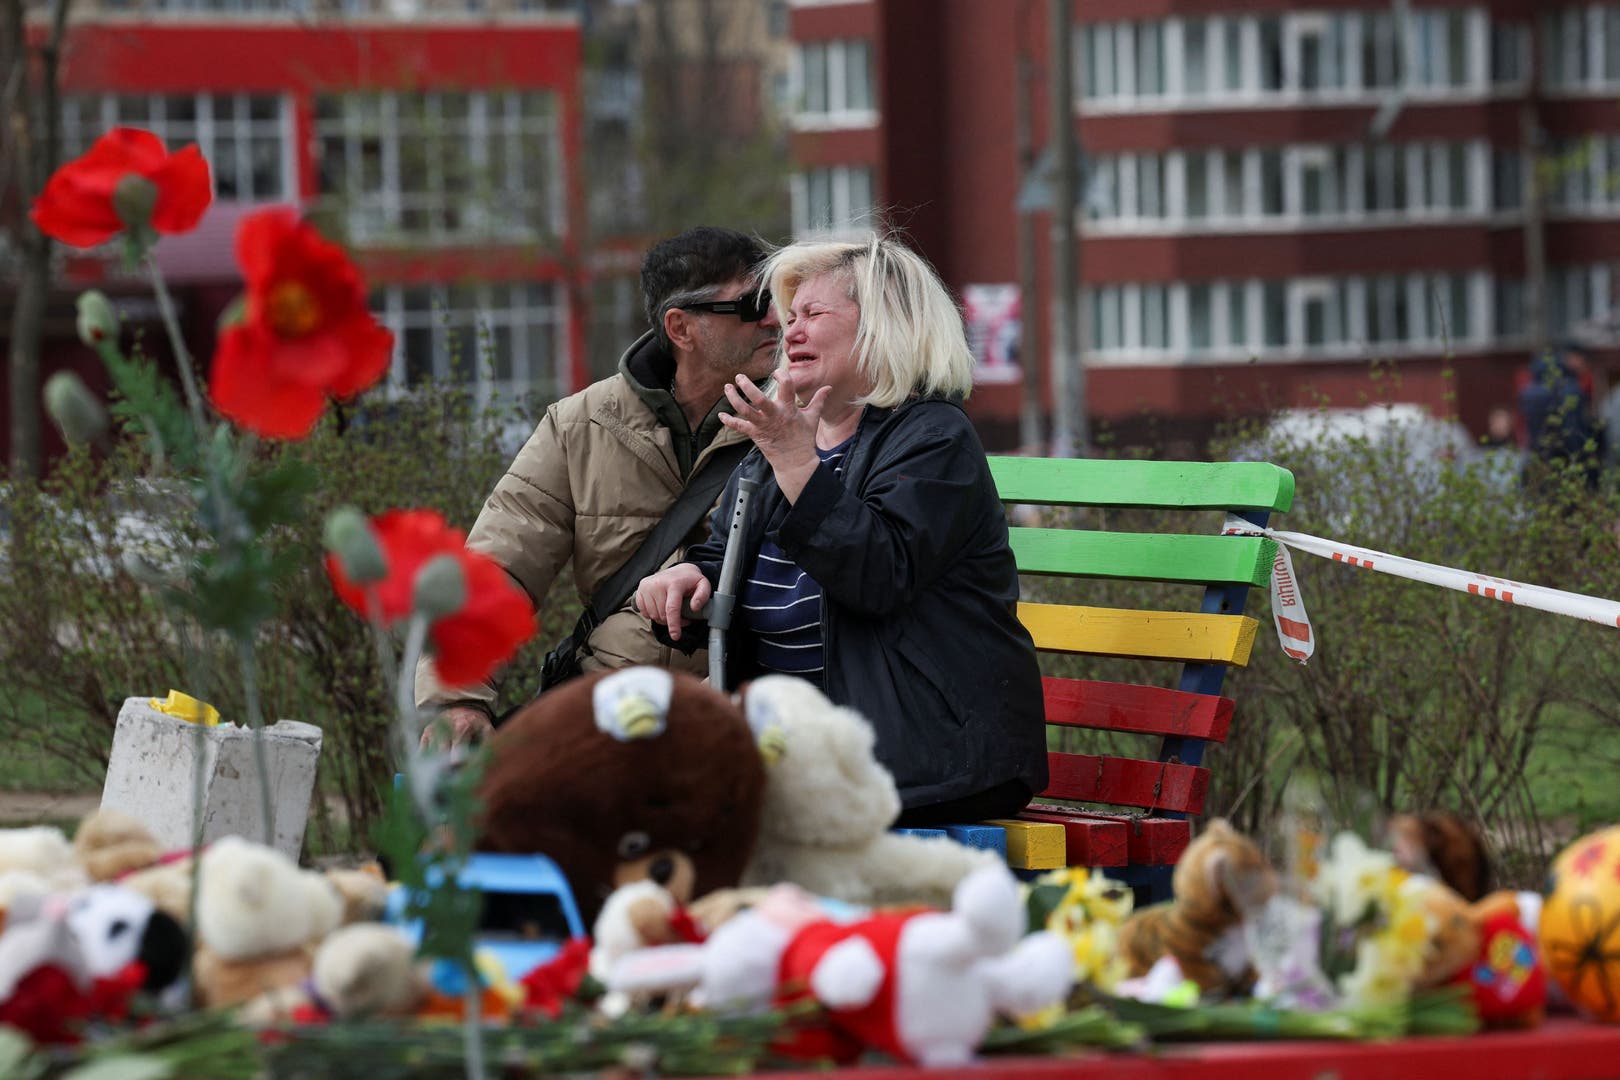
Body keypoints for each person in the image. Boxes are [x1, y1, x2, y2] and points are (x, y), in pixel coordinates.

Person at [634, 235, 1048, 826]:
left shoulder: (933, 440)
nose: (788, 330)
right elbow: (727, 547)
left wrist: (796, 461)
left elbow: (877, 574)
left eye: (814, 314)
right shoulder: (785, 446)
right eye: (790, 315)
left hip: (927, 755)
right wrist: (689, 573)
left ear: (883, 326)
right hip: (802, 746)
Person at [418, 226, 781, 747]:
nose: (773, 317)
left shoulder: (803, 416)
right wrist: (457, 700)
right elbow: (497, 569)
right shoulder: (579, 425)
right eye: (751, 304)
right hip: (607, 708)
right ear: (680, 328)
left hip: (752, 712)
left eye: (777, 299)